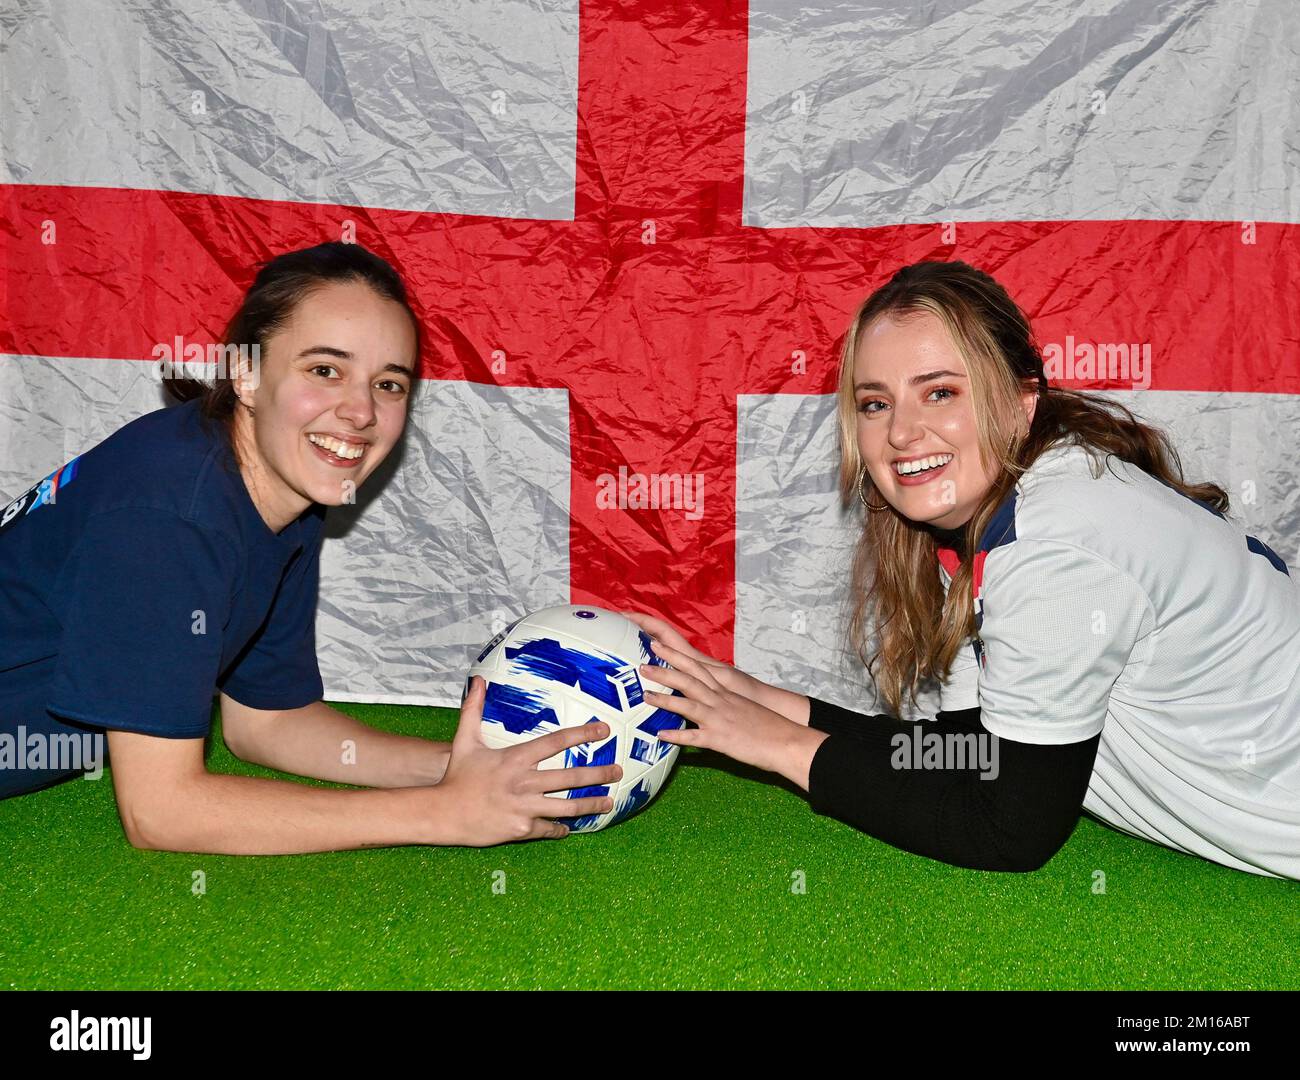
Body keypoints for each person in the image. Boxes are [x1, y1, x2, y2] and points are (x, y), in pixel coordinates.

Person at [628, 260, 1300, 879]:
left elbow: (1009, 830)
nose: (901, 431)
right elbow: (970, 756)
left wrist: (779, 746)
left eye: (941, 392)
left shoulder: (1053, 545)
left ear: (1021, 402)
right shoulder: (1001, 518)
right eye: (874, 402)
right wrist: (765, 703)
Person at [0, 242, 620, 852]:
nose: (359, 411)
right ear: (247, 372)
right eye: (325, 370)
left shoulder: (276, 490)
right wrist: (440, 814)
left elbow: (267, 723)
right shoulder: (170, 515)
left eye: (389, 384)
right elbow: (163, 812)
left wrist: (459, 770)